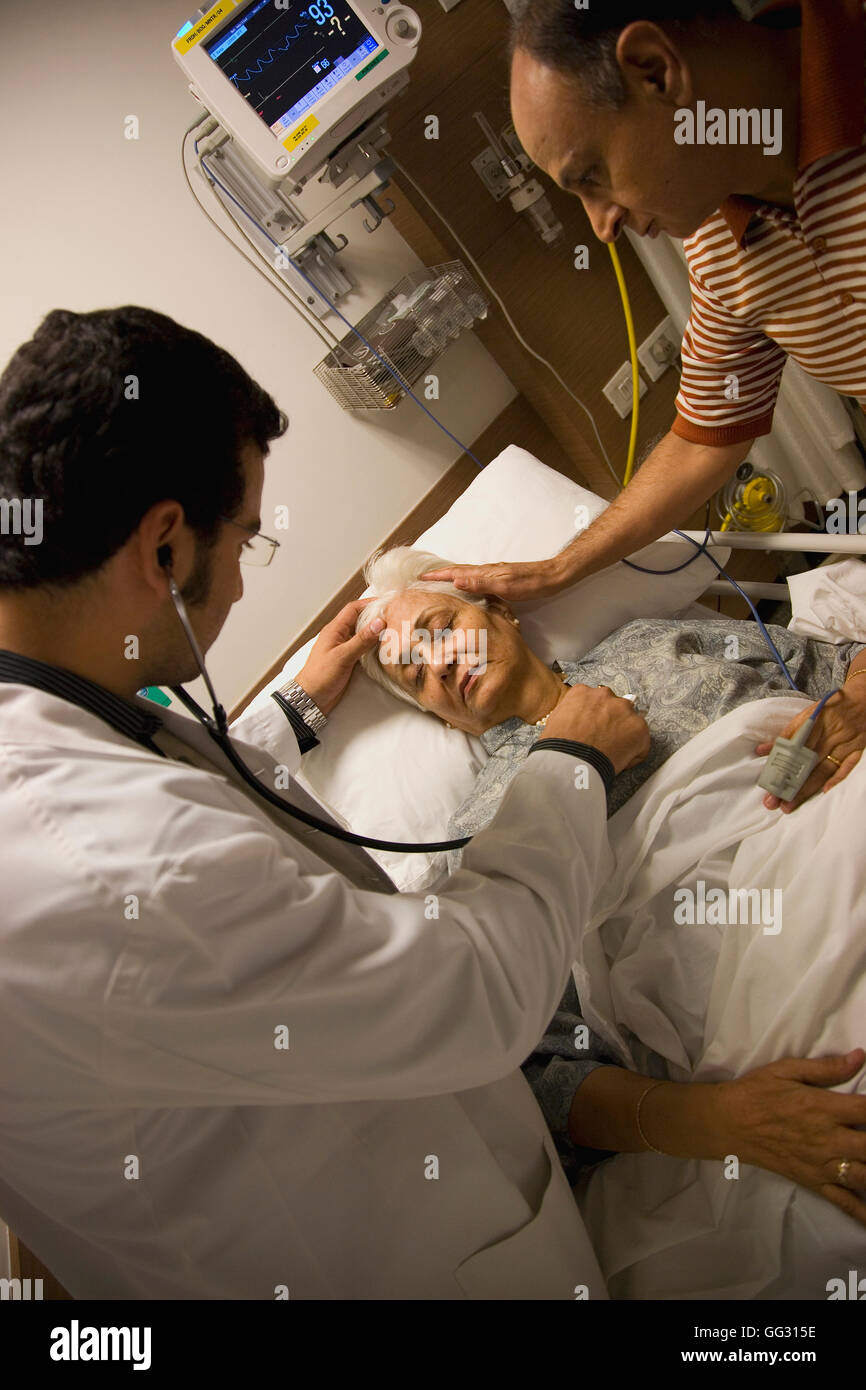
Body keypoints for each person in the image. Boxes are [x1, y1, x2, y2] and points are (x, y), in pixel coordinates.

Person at [354, 544, 866, 1216]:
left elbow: (838, 660)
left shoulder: (653, 642)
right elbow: (544, 1071)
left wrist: (853, 700)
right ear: (444, 720)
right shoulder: (482, 829)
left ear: (502, 612)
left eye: (438, 629)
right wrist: (722, 1120)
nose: (440, 663)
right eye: (415, 675)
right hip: (741, 979)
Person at [423, 1, 866, 711]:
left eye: (590, 175)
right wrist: (558, 572)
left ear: (656, 71)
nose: (600, 225)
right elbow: (701, 441)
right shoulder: (722, 250)